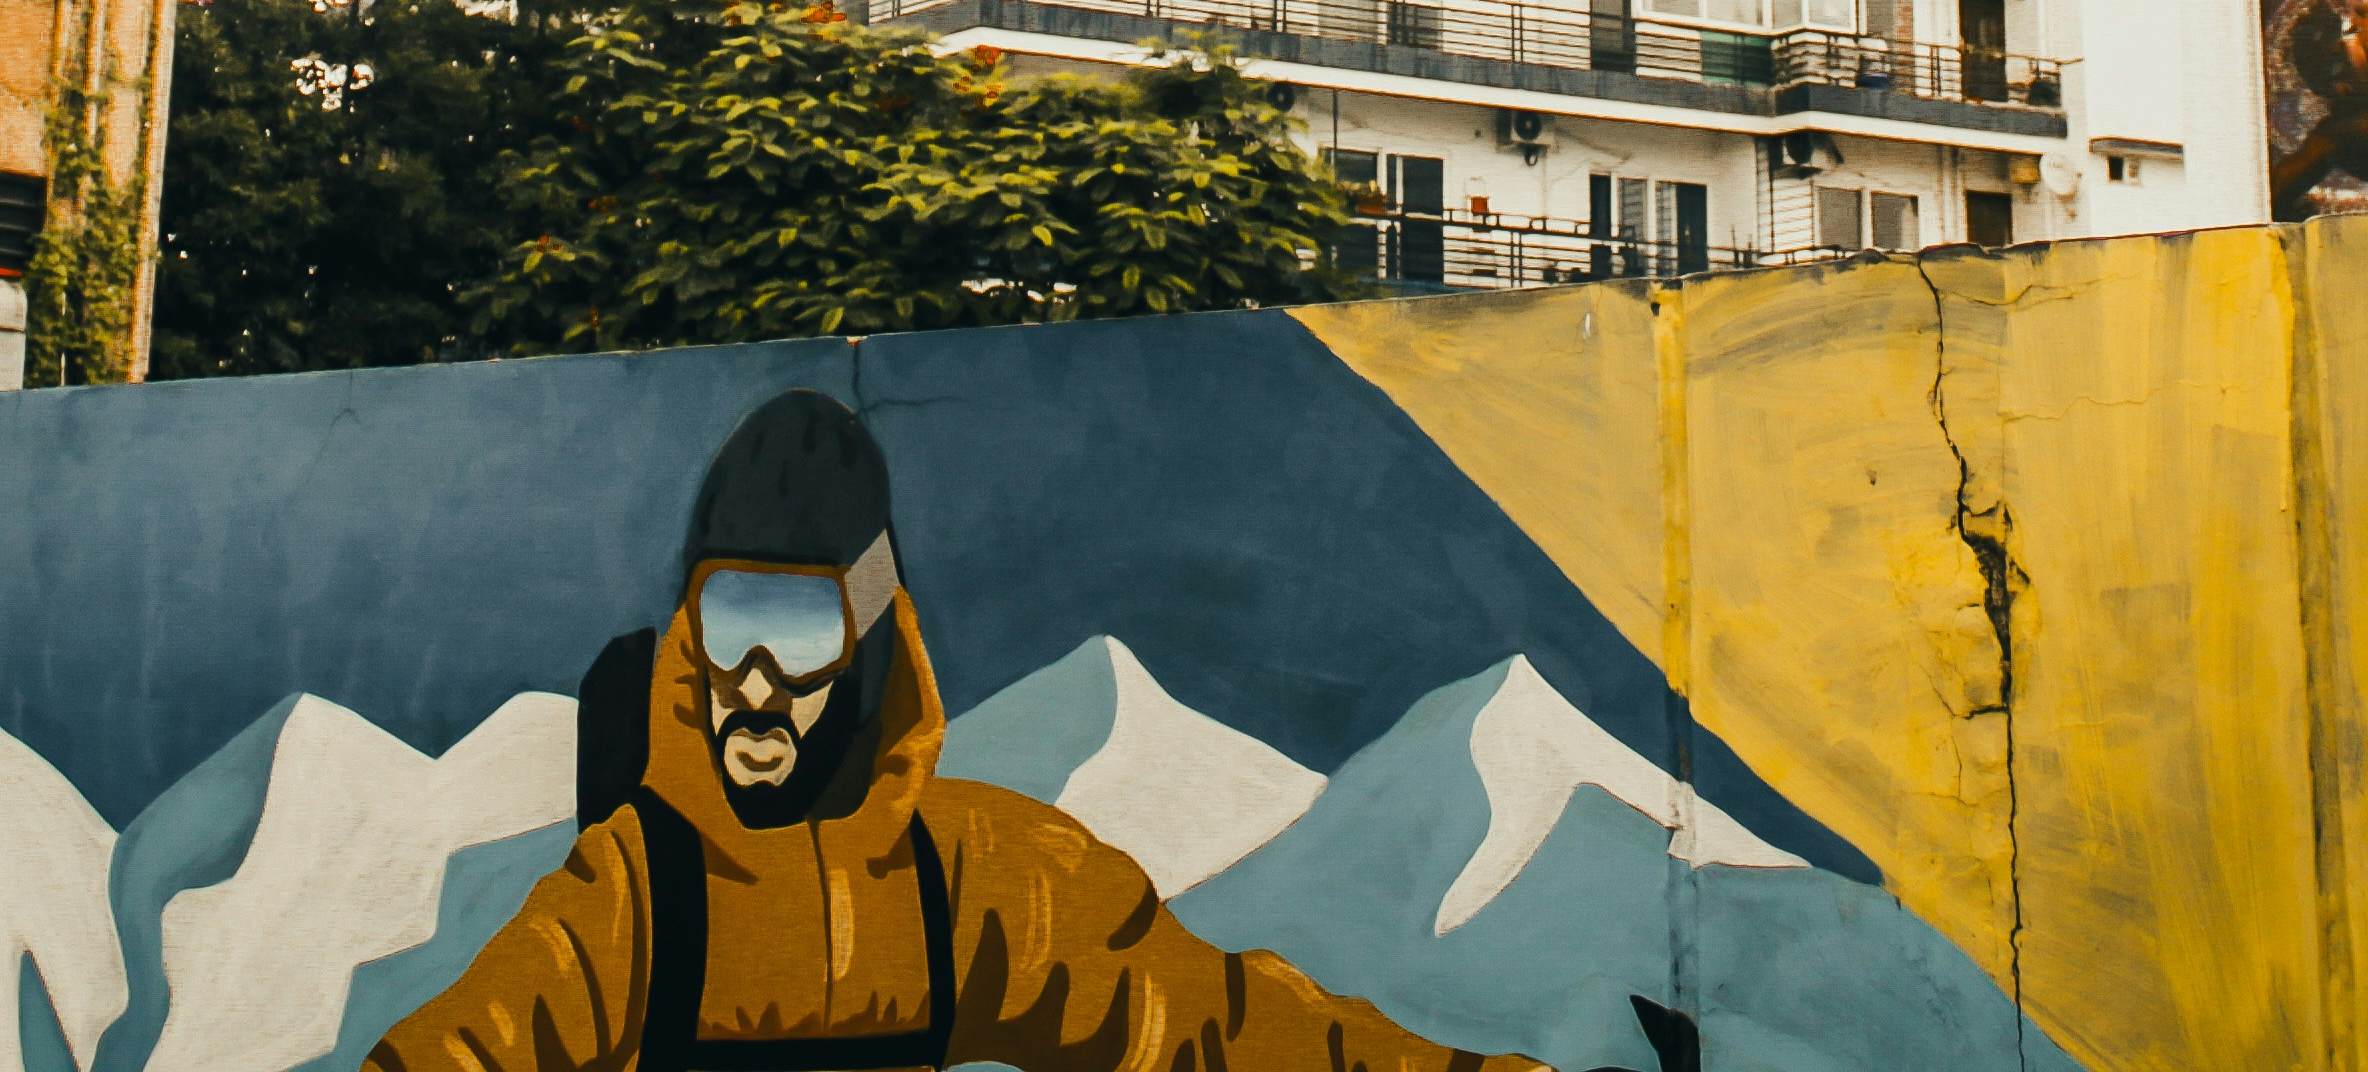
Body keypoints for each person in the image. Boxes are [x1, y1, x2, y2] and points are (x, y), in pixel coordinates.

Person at [368, 391, 1584, 1072]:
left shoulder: (972, 879)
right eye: (725, 616)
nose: (752, 681)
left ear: (864, 640)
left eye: (793, 629)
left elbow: (1227, 1031)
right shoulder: (633, 896)